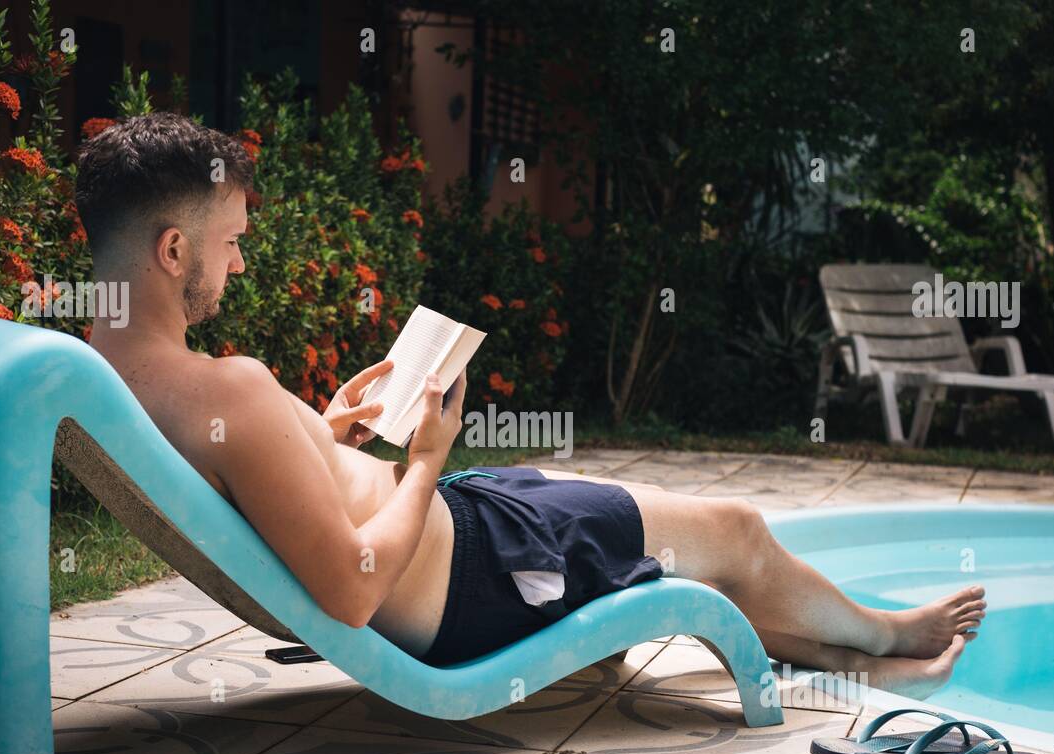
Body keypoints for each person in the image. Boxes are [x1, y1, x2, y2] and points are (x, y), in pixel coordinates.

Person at [76, 113, 984, 698]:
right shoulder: (225, 387)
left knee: (649, 521)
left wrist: (329, 432)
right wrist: (429, 457)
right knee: (737, 530)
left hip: (469, 542)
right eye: (229, 244)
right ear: (169, 250)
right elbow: (352, 592)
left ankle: (840, 653)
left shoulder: (109, 368)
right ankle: (881, 634)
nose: (238, 264)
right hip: (476, 574)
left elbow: (258, 480)